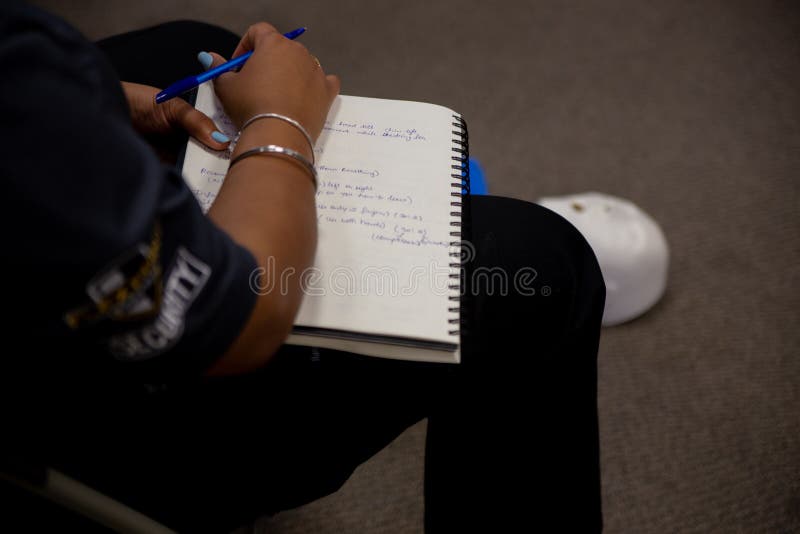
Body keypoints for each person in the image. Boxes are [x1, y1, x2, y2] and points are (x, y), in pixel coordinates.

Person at [1, 3, 606, 533]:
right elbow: (243, 309)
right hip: (69, 427)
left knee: (196, 55)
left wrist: (88, 97)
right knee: (540, 267)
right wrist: (281, 126)